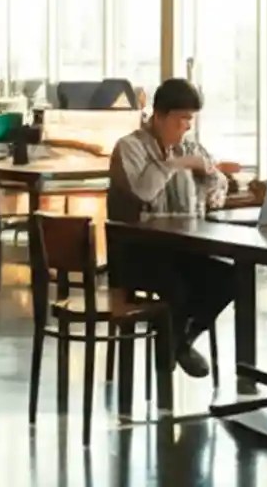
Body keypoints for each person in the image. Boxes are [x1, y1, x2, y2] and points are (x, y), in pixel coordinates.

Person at [107, 78, 233, 378]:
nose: (187, 127)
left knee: (231, 277)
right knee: (178, 287)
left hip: (185, 246)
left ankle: (182, 341)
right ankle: (168, 357)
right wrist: (175, 164)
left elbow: (219, 184)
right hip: (136, 253)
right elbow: (143, 192)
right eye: (182, 119)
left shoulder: (189, 146)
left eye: (191, 119)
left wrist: (211, 177)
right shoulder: (129, 148)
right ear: (159, 116)